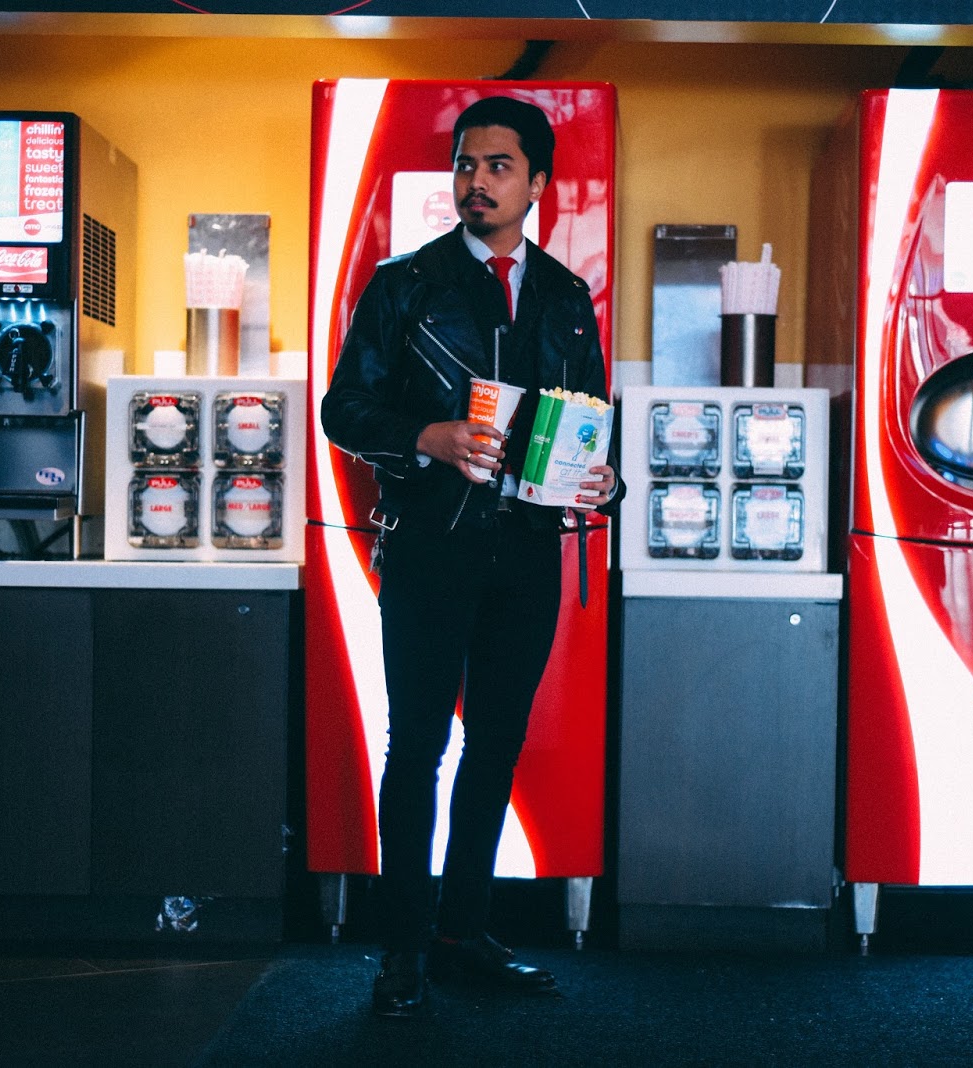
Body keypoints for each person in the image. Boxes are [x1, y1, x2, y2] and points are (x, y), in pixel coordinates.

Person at [321, 95, 623, 1018]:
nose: (476, 181)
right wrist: (428, 435)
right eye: (466, 164)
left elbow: (588, 421)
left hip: (528, 554)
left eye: (498, 166)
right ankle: (402, 948)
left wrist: (603, 482)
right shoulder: (404, 285)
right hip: (430, 550)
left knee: (495, 746)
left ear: (539, 184)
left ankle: (462, 933)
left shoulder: (567, 298)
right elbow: (343, 410)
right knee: (417, 745)